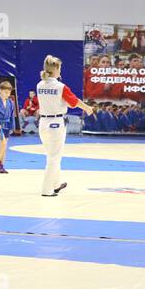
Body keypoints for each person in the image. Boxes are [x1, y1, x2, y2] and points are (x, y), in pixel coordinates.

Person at [34, 55, 94, 198]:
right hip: (56, 123)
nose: (61, 70)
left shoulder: (39, 85)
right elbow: (74, 101)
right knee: (54, 158)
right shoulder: (60, 87)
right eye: (59, 67)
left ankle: (55, 184)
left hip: (43, 123)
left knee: (52, 155)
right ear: (55, 69)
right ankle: (47, 189)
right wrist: (87, 108)